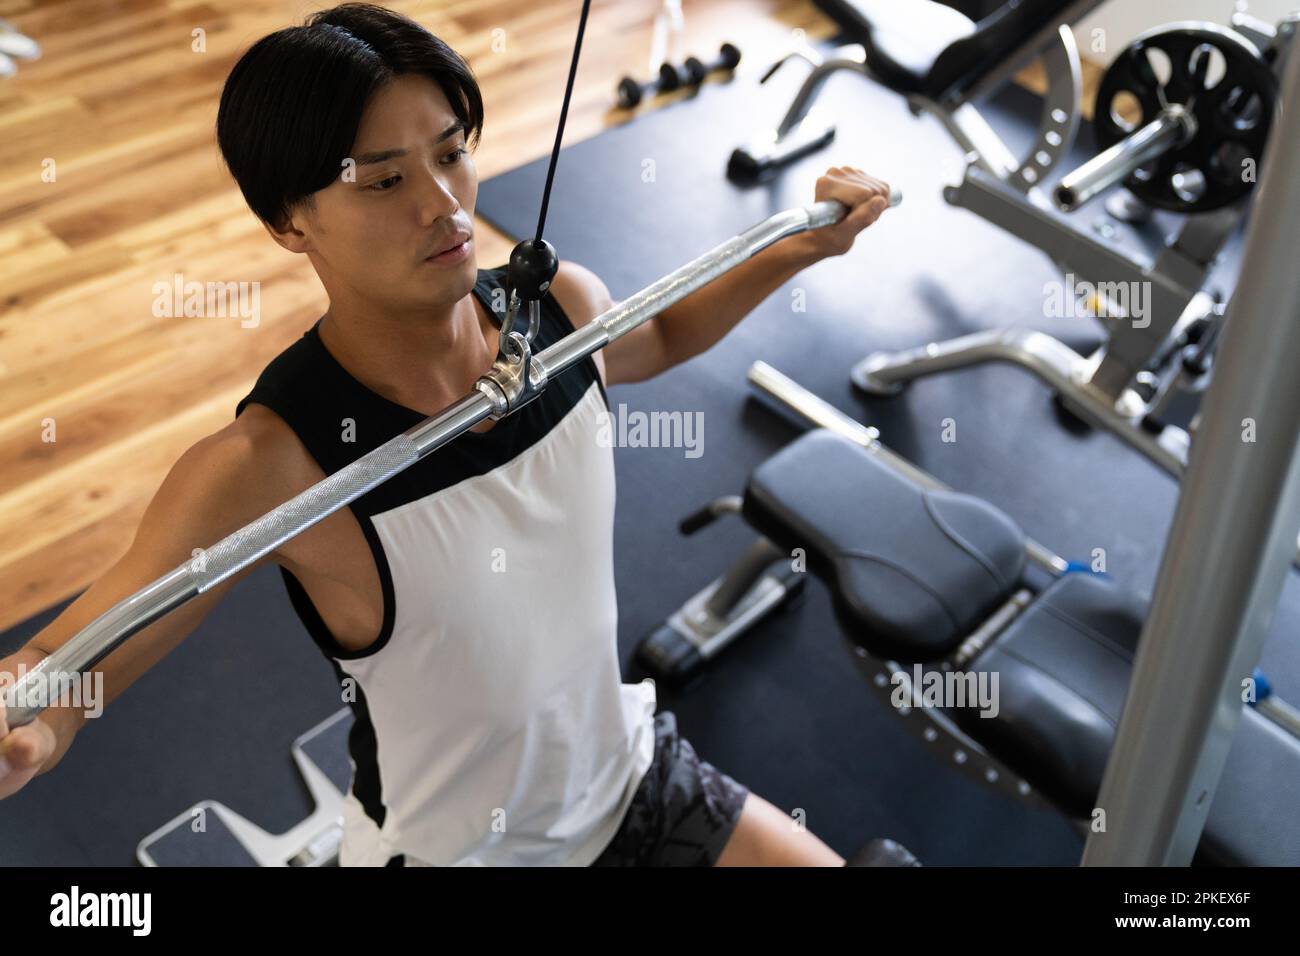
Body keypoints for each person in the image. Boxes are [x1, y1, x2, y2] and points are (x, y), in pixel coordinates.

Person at [0, 3, 892, 866]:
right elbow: (74, 651)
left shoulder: (562, 310)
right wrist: (34, 717)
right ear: (288, 221)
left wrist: (797, 246)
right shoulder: (272, 466)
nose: (444, 206)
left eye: (452, 154)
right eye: (384, 180)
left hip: (629, 777)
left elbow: (655, 337)